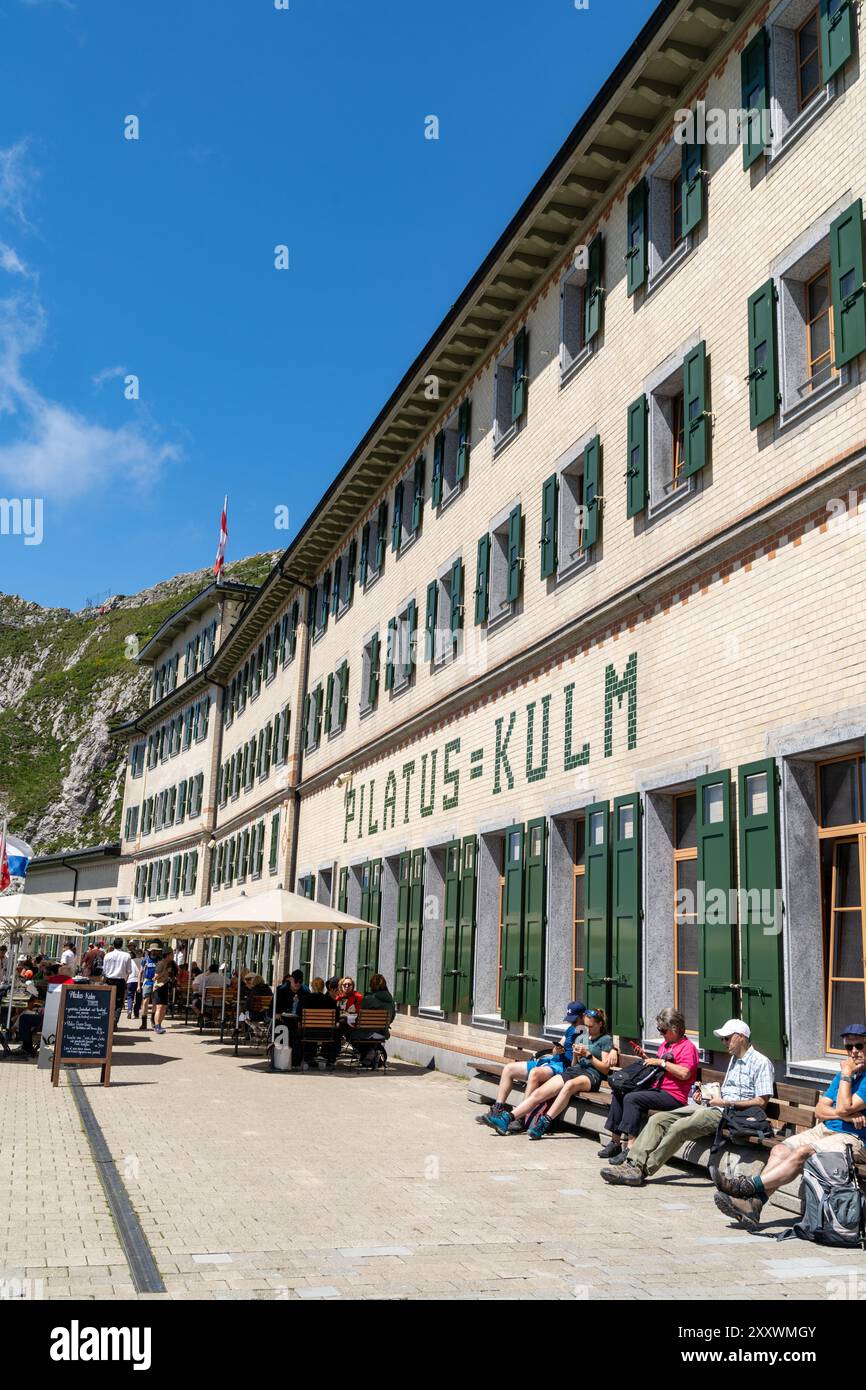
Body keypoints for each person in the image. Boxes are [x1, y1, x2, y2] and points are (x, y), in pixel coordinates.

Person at [714, 1022, 866, 1229]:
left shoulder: (849, 1074)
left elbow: (846, 1104)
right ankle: (754, 1206)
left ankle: (748, 1187)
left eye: (860, 1046)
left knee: (803, 1152)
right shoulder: (843, 1073)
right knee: (781, 1149)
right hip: (826, 1129)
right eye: (849, 1048)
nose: (854, 1052)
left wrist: (847, 1076)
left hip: (855, 1139)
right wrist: (846, 1115)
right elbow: (820, 1111)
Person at [601, 1018, 774, 1187]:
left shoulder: (761, 1063)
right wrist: (706, 1093)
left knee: (679, 1127)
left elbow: (761, 1102)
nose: (723, 1042)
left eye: (727, 1038)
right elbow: (729, 1092)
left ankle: (643, 1170)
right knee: (658, 1119)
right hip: (714, 1107)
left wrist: (727, 1103)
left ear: (741, 1037)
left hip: (732, 1114)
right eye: (722, 1039)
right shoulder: (734, 1059)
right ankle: (633, 1163)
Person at [485, 1008, 615, 1136]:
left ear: (600, 1024)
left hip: (591, 1075)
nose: (588, 1030)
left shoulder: (605, 1040)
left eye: (591, 1026)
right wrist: (576, 1055)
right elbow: (574, 1065)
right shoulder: (582, 1037)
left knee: (569, 1085)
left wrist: (588, 1055)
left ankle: (544, 1123)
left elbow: (605, 1068)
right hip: (574, 1071)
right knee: (538, 1093)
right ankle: (507, 1118)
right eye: (586, 1026)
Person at [599, 1007, 700, 1163]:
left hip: (674, 1096)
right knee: (620, 1091)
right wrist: (646, 1058)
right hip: (656, 1089)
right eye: (659, 1030)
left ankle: (631, 1149)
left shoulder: (688, 1048)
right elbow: (659, 1067)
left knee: (632, 1099)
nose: (661, 1033)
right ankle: (615, 1141)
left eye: (663, 1030)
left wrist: (661, 1062)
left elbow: (685, 1073)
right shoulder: (666, 1045)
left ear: (675, 1028)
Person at [483, 1002, 586, 1127]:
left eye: (574, 1021)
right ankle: (498, 1110)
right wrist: (556, 1050)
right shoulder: (570, 1029)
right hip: (551, 1061)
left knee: (535, 1073)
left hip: (563, 1068)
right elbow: (555, 1050)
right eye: (571, 1021)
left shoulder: (586, 1033)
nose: (572, 1023)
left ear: (583, 1016)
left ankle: (520, 1118)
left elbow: (587, 1057)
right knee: (509, 1069)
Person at [354, 974, 396, 1069]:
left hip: (366, 1033)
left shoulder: (369, 999)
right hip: (382, 1033)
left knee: (350, 1034)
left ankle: (367, 1053)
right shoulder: (391, 1000)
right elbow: (392, 1018)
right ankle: (371, 1051)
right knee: (369, 1032)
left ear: (371, 985)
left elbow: (359, 1018)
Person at [299, 975, 340, 1069]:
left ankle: (307, 1057)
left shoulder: (305, 999)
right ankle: (326, 1057)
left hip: (308, 1033)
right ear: (323, 987)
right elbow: (336, 1018)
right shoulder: (330, 1001)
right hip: (326, 1034)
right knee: (337, 1032)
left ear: (312, 987)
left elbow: (298, 1014)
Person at [102, 937, 133, 1025]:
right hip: (120, 981)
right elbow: (129, 971)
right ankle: (115, 1019)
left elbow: (104, 971)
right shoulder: (126, 955)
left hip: (109, 980)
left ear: (113, 945)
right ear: (122, 945)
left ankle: (108, 1020)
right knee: (119, 1002)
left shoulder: (107, 955)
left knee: (109, 1001)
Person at [152, 949, 174, 1034]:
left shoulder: (168, 964)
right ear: (168, 955)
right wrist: (165, 972)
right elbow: (155, 977)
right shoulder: (161, 963)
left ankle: (159, 1025)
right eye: (172, 955)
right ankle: (157, 1026)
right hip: (159, 987)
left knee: (164, 1007)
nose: (173, 956)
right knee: (159, 1007)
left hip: (164, 986)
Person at [138, 947, 161, 1030]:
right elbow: (140, 972)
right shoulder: (145, 960)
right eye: (153, 950)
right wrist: (138, 985)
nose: (154, 952)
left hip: (156, 983)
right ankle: (144, 1023)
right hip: (147, 982)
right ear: (150, 951)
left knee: (155, 1002)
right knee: (145, 1002)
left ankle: (153, 1020)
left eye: (156, 950)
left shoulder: (159, 960)